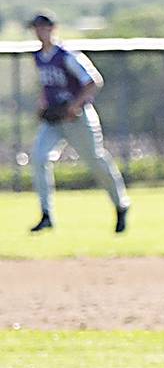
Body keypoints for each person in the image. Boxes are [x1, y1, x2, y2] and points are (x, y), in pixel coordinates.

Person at [27, 12, 131, 233]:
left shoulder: (66, 56)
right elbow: (47, 87)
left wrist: (75, 105)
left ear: (53, 29)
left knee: (95, 160)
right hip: (55, 120)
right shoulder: (38, 57)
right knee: (38, 158)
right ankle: (46, 215)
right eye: (36, 28)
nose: (39, 31)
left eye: (43, 27)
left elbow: (93, 82)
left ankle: (121, 204)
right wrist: (42, 103)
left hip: (78, 118)